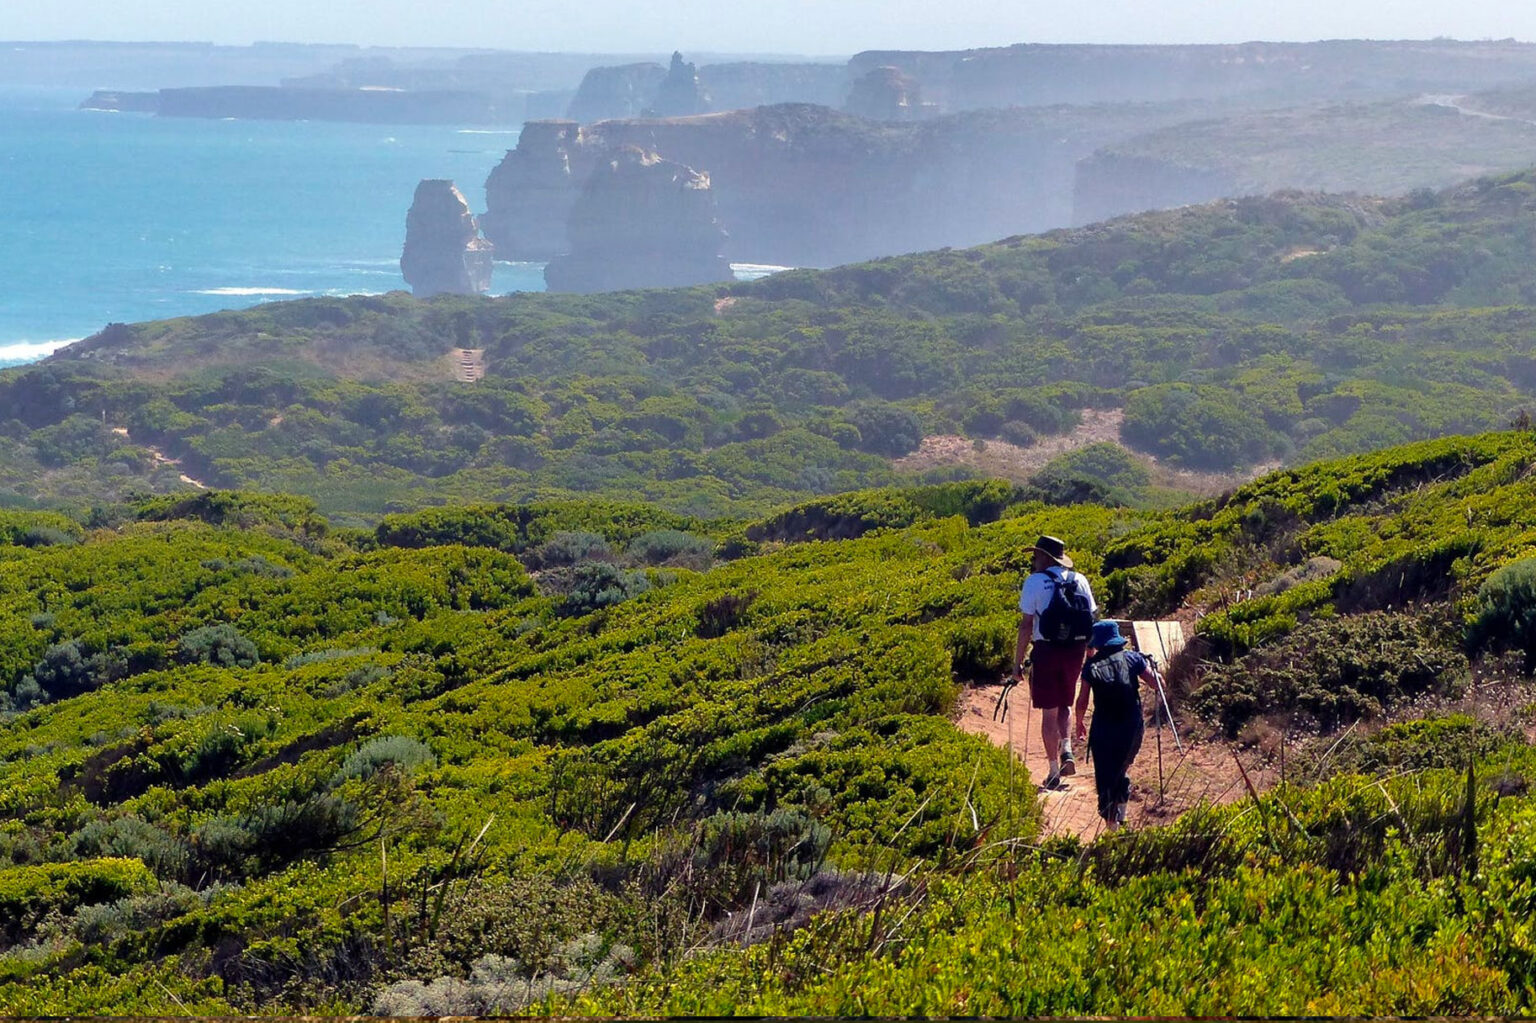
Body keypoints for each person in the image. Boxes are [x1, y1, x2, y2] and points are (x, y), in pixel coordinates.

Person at [1013, 534, 1096, 791]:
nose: (1033, 559)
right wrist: (1090, 651)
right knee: (1065, 704)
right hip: (1075, 650)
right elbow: (1091, 617)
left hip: (1046, 649)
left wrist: (1016, 664)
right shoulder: (1080, 579)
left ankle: (1052, 771)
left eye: (1036, 555)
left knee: (1048, 712)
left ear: (1045, 557)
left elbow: (1026, 625)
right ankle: (1068, 750)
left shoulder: (1034, 582)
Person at [1073, 619, 1163, 830]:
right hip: (1132, 727)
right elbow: (1157, 684)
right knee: (1120, 770)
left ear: (1097, 643)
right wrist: (1153, 668)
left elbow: (1082, 700)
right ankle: (1121, 817)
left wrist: (1078, 723)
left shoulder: (1091, 667)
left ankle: (1112, 826)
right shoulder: (1132, 659)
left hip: (1104, 729)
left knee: (1105, 775)